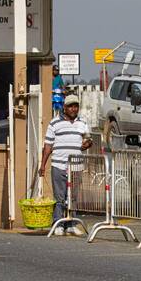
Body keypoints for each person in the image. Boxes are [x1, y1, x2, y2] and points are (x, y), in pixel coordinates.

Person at [38, 93, 91, 236]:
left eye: (76, 106)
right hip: (59, 165)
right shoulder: (54, 123)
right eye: (71, 106)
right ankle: (58, 223)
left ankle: (72, 224)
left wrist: (87, 144)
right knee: (60, 196)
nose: (74, 109)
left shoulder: (83, 123)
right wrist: (43, 165)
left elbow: (88, 140)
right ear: (64, 107)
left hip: (76, 166)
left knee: (73, 196)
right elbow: (48, 146)